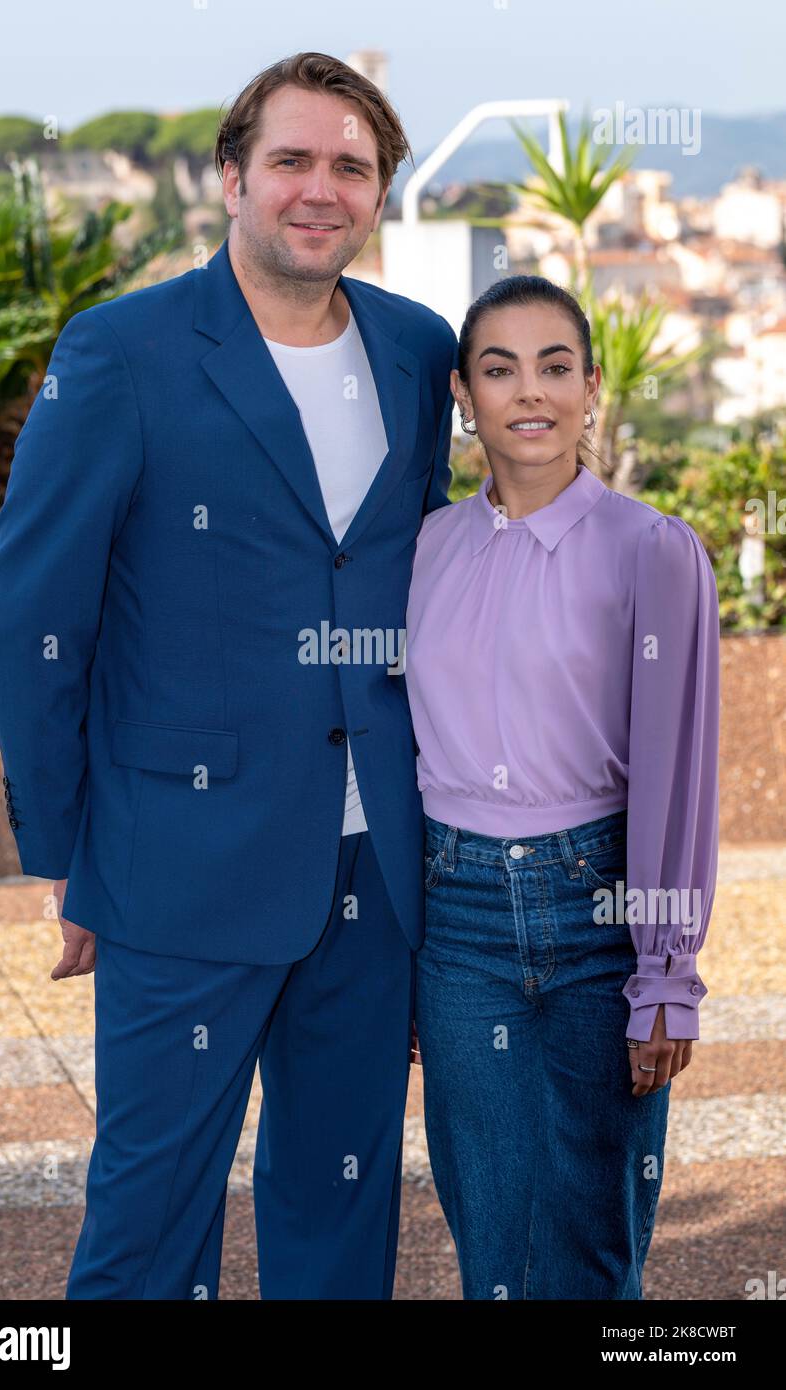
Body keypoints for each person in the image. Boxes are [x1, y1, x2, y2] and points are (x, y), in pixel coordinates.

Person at [0, 51, 457, 1300]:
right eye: (292, 160)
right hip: (176, 864)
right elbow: (32, 613)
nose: (320, 188)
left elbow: (428, 583)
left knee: (342, 1216)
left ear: (379, 193)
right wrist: (73, 854)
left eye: (351, 166)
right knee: (148, 1224)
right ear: (233, 177)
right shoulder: (123, 351)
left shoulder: (418, 349)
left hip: (372, 867)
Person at [404, 275, 720, 1300]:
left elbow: (679, 778)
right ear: (464, 394)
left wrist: (664, 974)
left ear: (591, 386)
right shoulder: (425, 550)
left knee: (589, 1245)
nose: (528, 392)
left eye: (554, 366)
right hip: (457, 926)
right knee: (491, 1240)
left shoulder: (653, 551)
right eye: (499, 369)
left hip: (601, 913)